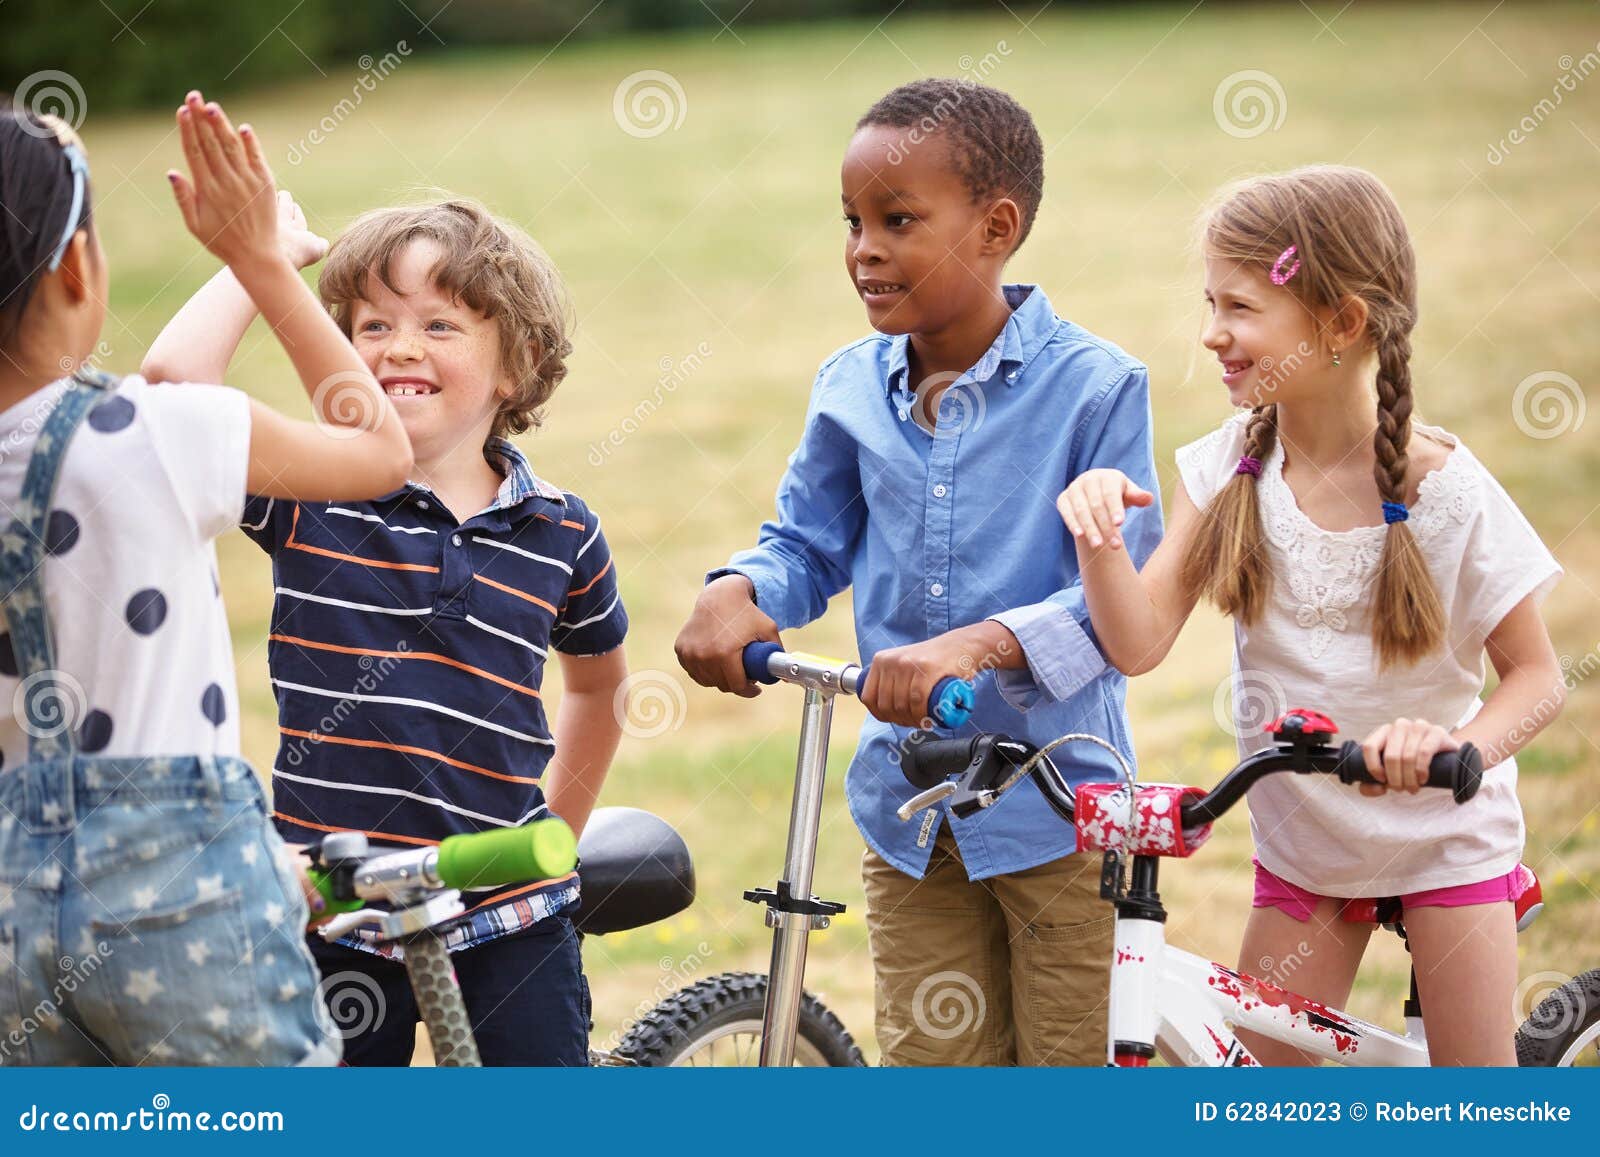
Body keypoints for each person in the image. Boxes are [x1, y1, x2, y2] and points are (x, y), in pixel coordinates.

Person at [675, 79, 1162, 1066]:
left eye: (897, 220)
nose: (864, 247)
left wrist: (979, 643)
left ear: (995, 226)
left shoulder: (1096, 387)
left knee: (1074, 1069)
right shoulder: (848, 385)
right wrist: (743, 589)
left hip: (1061, 813)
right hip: (912, 811)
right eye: (852, 221)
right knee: (933, 1069)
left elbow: (1117, 600)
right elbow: (806, 539)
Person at [142, 95, 629, 1066]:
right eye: (371, 324)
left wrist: (553, 839)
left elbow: (599, 688)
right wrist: (260, 261)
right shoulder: (309, 491)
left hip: (503, 913)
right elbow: (172, 386)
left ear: (517, 365)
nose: (398, 346)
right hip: (333, 906)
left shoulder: (561, 530)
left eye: (439, 323)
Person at [1056, 164, 1564, 1065]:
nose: (1212, 333)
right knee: (1257, 1101)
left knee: (1475, 1106)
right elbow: (1137, 643)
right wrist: (1098, 541)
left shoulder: (1445, 491)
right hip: (1307, 853)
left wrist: (1460, 753)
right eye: (1210, 303)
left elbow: (1537, 676)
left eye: (1241, 308)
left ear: (1340, 323)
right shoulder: (1229, 471)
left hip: (1448, 847)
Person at [0, 94, 412, 1065]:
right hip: (181, 902)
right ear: (75, 266)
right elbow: (377, 450)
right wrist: (261, 261)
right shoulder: (147, 433)